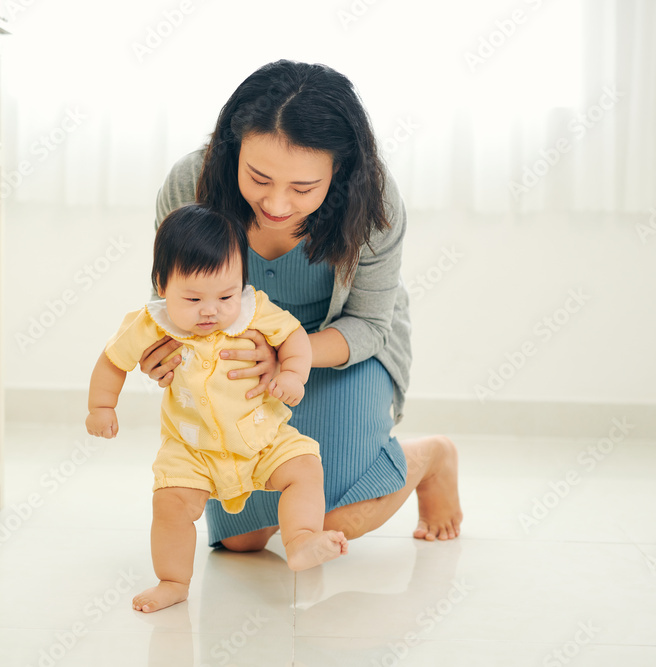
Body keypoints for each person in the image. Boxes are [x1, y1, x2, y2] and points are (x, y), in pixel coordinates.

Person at [140, 59, 462, 553]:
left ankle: (431, 458)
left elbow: (371, 325)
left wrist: (290, 354)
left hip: (342, 350)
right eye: (259, 177)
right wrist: (162, 348)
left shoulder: (374, 202)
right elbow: (172, 298)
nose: (277, 204)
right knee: (242, 540)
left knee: (334, 518)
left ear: (340, 171)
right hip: (245, 365)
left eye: (304, 188)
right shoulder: (193, 183)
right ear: (233, 147)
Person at [86, 204, 349, 613]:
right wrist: (102, 405)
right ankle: (172, 580)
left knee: (304, 467)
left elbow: (294, 335)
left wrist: (294, 373)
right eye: (192, 298)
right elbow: (112, 360)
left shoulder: (253, 310)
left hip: (263, 435)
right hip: (192, 450)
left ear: (241, 283)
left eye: (225, 295)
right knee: (170, 503)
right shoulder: (150, 323)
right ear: (162, 284)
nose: (211, 310)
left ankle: (300, 540)